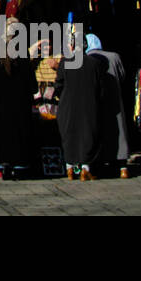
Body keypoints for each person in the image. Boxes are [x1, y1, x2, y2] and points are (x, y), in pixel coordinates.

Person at [56, 32, 105, 180]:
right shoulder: (94, 63)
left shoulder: (65, 63)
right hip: (88, 105)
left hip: (68, 106)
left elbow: (59, 85)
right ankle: (85, 168)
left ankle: (70, 168)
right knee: (87, 134)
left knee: (69, 134)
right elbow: (100, 88)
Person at [0, 50, 36, 179]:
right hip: (20, 101)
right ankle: (19, 165)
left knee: (4, 133)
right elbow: (31, 79)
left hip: (2, 100)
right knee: (19, 133)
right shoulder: (22, 54)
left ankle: (5, 164)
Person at [87, 35, 130, 178]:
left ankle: (99, 162)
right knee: (118, 129)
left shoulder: (87, 59)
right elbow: (122, 75)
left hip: (95, 99)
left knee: (98, 129)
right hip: (114, 98)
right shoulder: (114, 56)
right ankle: (122, 166)